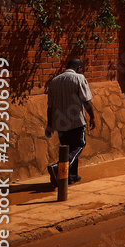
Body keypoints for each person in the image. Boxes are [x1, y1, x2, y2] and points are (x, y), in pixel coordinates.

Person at [45, 58, 96, 186]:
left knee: (67, 149)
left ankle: (70, 176)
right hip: (76, 121)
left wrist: (50, 124)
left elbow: (50, 106)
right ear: (78, 68)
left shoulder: (54, 81)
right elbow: (86, 101)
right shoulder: (79, 78)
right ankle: (58, 167)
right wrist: (92, 117)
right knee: (79, 145)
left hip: (60, 123)